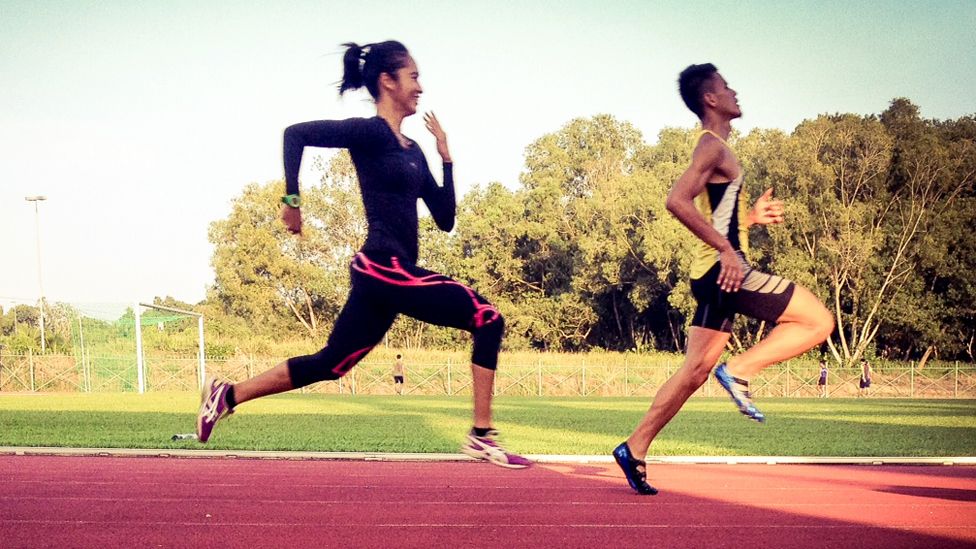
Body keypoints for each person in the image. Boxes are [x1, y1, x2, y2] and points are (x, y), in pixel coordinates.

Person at [196, 40, 530, 469]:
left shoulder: (414, 151)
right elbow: (295, 134)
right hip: (382, 266)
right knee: (486, 317)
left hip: (388, 275)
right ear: (387, 81)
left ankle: (228, 395)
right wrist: (292, 201)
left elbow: (445, 218)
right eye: (413, 77)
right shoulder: (371, 133)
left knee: (332, 363)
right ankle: (482, 436)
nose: (420, 87)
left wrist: (447, 160)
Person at [613, 64, 834, 495]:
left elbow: (721, 218)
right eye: (727, 87)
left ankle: (634, 448)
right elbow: (676, 200)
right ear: (711, 99)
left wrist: (749, 219)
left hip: (711, 273)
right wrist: (727, 250)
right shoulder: (712, 147)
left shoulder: (717, 149)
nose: (735, 92)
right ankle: (740, 370)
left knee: (695, 370)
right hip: (725, 272)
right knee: (817, 321)